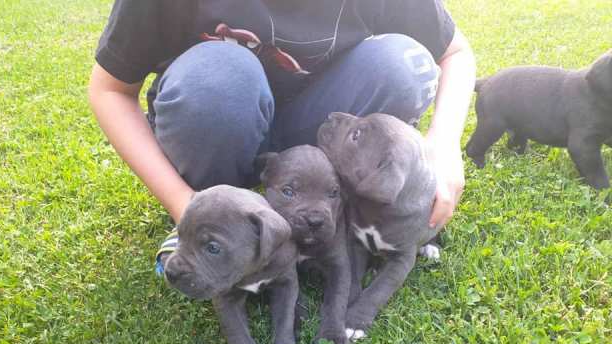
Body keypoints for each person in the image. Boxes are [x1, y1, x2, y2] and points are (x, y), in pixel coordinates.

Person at [88, 0, 476, 272]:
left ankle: (329, 211)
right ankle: (213, 215)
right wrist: (183, 203)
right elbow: (110, 91)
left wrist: (442, 143)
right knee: (221, 78)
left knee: (402, 64)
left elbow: (454, 53)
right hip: (220, 123)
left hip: (322, 130)